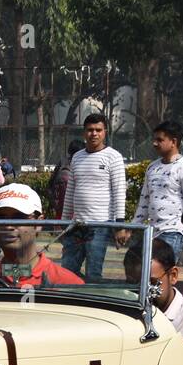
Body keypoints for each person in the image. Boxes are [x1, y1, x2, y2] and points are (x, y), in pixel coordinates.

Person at [0, 184, 85, 288]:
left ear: (38, 223)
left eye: (19, 217)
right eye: (1, 218)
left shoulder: (67, 283)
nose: (8, 226)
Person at [60, 112, 127, 283]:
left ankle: (92, 305)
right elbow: (71, 191)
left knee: (93, 273)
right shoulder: (77, 157)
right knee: (67, 271)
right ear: (84, 132)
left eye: (98, 130)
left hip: (100, 225)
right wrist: (63, 221)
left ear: (105, 132)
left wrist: (119, 225)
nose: (94, 134)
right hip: (76, 225)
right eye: (90, 130)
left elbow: (120, 191)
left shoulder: (114, 157)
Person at [120, 120, 183, 260]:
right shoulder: (152, 167)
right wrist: (131, 228)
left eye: (160, 140)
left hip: (174, 232)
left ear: (173, 142)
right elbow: (144, 202)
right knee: (141, 271)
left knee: (161, 272)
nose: (155, 143)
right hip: (151, 232)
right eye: (154, 139)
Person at [47, 139, 85, 220]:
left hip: (60, 209)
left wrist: (54, 203)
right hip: (74, 211)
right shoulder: (79, 164)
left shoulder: (62, 163)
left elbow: (50, 185)